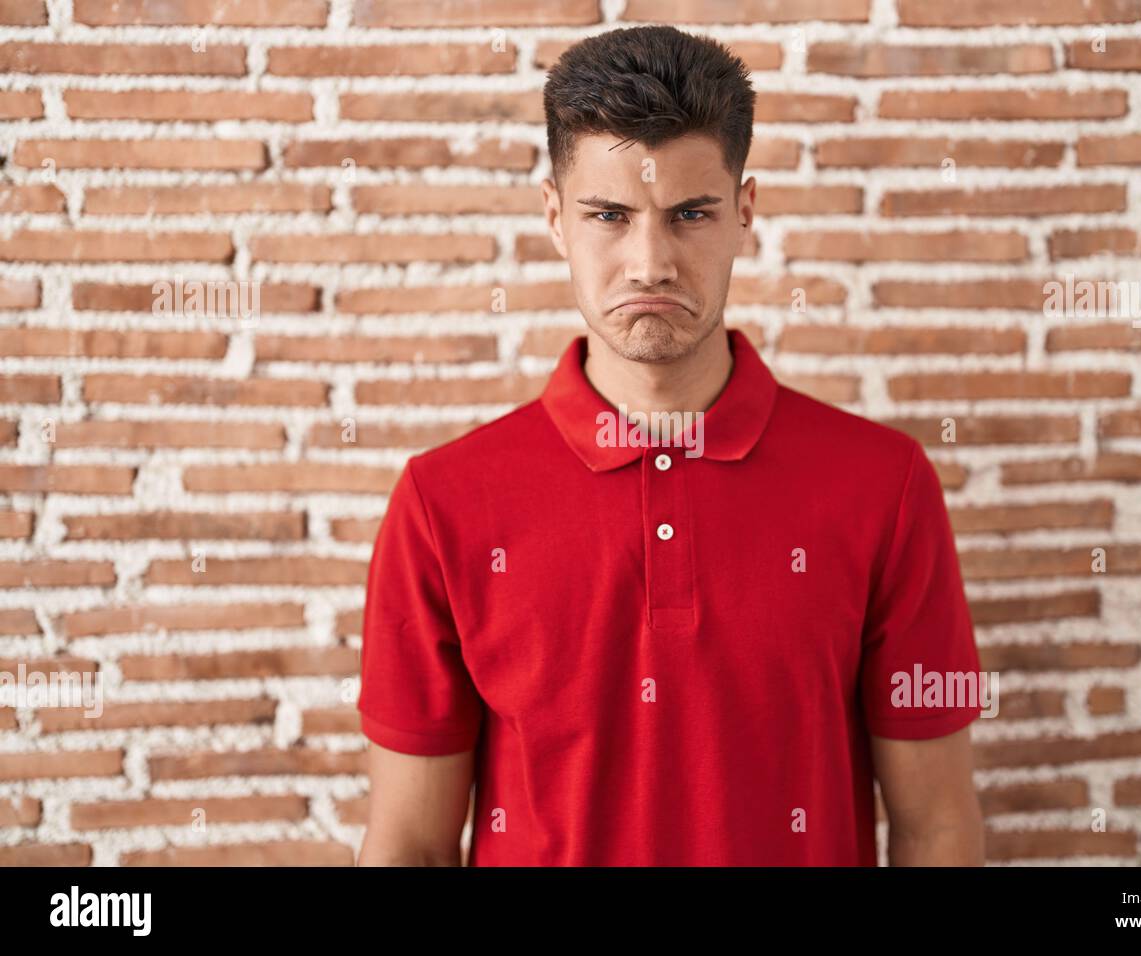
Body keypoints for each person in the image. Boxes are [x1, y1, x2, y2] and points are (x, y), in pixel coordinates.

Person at [355, 25, 985, 867]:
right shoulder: (443, 504)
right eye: (609, 216)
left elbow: (936, 830)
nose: (649, 262)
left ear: (744, 212)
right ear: (554, 217)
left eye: (690, 214)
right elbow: (408, 847)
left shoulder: (884, 485)